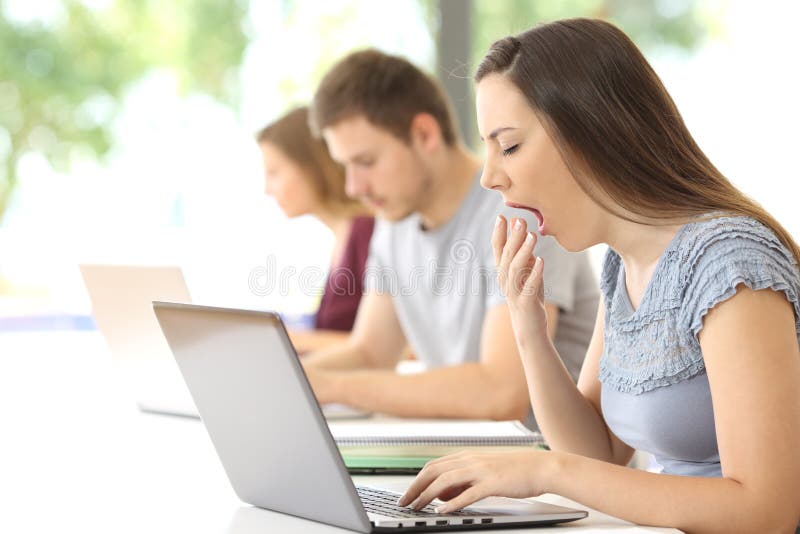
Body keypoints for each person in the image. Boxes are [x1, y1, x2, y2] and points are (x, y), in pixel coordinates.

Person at [398, 18, 800, 533]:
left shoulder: (730, 261)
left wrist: (545, 470)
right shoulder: (624, 262)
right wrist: (527, 325)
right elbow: (599, 453)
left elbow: (765, 513)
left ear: (591, 130)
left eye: (510, 145)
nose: (489, 176)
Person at [301, 49, 598, 426]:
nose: (353, 187)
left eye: (366, 162)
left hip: (550, 464)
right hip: (472, 458)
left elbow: (501, 392)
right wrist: (289, 381)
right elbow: (371, 352)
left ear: (424, 134)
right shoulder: (394, 221)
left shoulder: (516, 207)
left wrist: (332, 387)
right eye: (345, 166)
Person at [256, 106, 374, 353]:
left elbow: (389, 347)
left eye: (274, 173)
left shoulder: (367, 231)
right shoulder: (345, 232)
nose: (267, 189)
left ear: (312, 167)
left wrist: (289, 339)